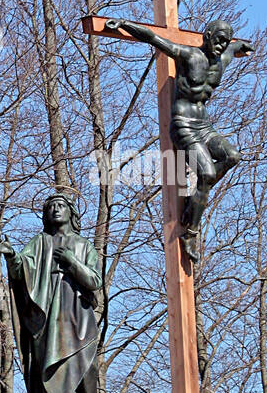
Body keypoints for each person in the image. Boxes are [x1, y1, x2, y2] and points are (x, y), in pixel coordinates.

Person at [105, 17, 253, 259]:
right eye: (219, 39)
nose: (221, 45)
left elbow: (235, 46)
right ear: (207, 35)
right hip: (183, 125)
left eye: (225, 42)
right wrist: (123, 25)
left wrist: (241, 45)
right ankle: (191, 232)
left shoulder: (222, 58)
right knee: (206, 174)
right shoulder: (188, 56)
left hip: (205, 126)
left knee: (233, 157)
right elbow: (153, 38)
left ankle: (197, 196)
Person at [0, 194, 104, 393]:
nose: (56, 210)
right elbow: (21, 271)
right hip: (48, 317)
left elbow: (94, 281)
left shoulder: (83, 245)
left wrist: (71, 262)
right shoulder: (39, 243)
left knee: (87, 371)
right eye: (51, 207)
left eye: (61, 206)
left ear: (71, 212)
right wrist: (12, 256)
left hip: (78, 315)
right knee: (52, 368)